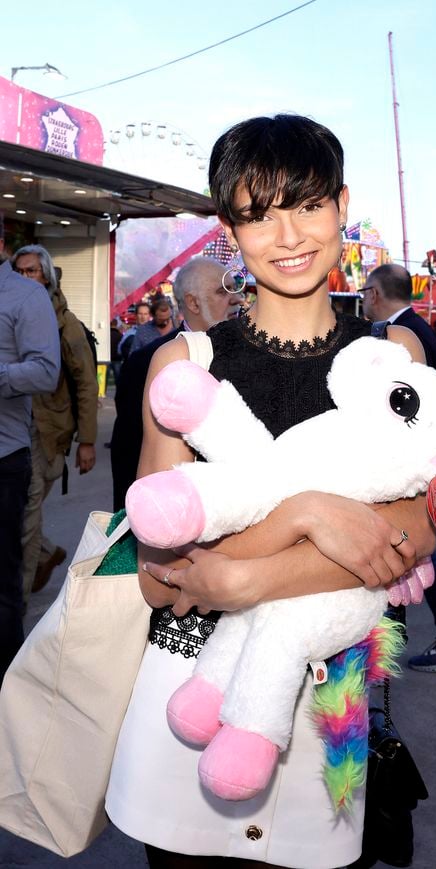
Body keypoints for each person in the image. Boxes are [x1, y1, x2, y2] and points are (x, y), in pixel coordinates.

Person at [105, 114, 436, 869]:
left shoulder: (395, 356)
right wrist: (311, 515)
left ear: (343, 206)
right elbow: (161, 579)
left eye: (308, 205)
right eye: (259, 214)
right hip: (193, 702)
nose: (287, 234)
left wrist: (241, 574)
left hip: (328, 706)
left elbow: (412, 537)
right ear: (230, 228)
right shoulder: (183, 362)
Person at [361, 264, 436, 673]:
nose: (362, 300)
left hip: (411, 467)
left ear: (375, 293)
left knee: (415, 552)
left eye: (364, 293)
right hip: (416, 465)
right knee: (413, 553)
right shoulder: (416, 329)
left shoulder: (403, 335)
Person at [110, 257, 244, 511]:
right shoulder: (146, 362)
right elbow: (128, 450)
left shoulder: (256, 352)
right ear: (193, 302)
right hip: (177, 514)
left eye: (234, 288)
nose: (236, 299)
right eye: (222, 291)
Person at [12, 245, 99, 597]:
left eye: (31, 271)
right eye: (18, 271)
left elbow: (86, 382)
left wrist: (88, 442)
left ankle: (15, 602)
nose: (24, 278)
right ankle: (45, 553)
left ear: (45, 275)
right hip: (12, 428)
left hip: (45, 435)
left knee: (25, 516)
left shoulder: (64, 323)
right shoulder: (11, 313)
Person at [0, 228, 60, 685]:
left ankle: (8, 686)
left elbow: (46, 369)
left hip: (4, 456)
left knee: (4, 582)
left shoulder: (25, 297)